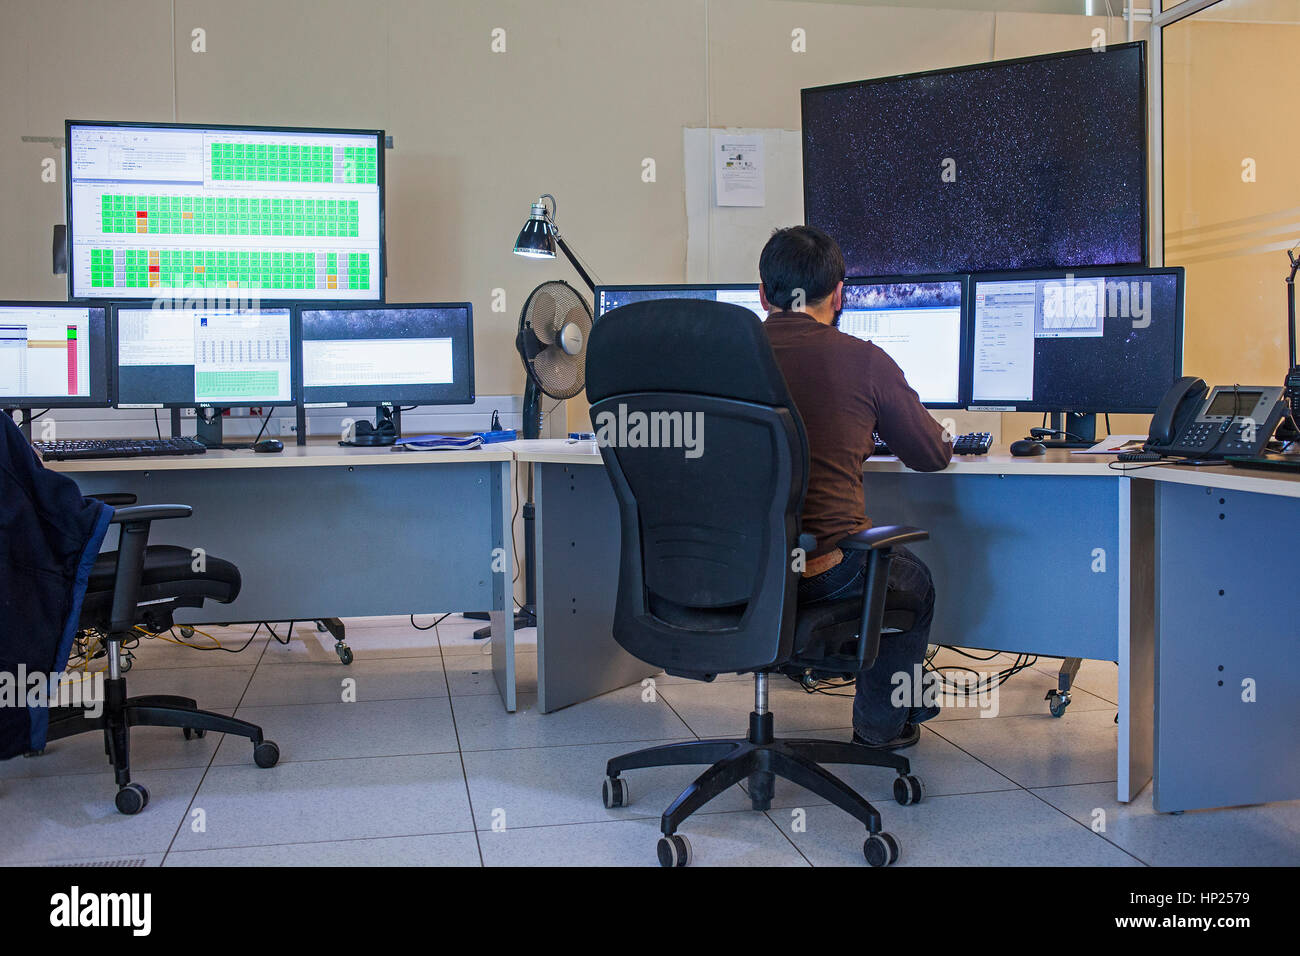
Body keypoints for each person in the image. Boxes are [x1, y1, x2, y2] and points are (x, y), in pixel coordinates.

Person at [758, 225, 952, 749]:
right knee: (911, 578)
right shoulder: (864, 360)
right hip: (823, 572)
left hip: (727, 567)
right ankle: (880, 728)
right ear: (839, 292)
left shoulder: (717, 359)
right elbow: (931, 455)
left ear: (762, 292)